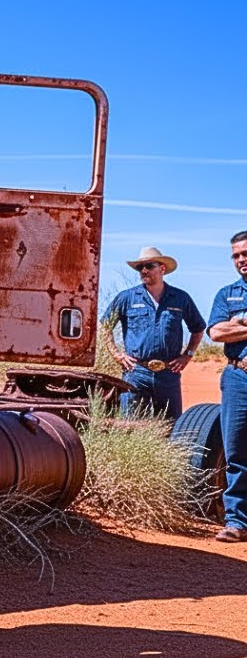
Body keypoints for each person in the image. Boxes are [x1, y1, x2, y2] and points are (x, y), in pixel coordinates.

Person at [103, 246, 206, 420]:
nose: (143, 271)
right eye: (140, 267)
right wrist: (117, 355)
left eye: (149, 266)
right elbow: (105, 326)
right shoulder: (127, 298)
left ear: (162, 269)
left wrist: (187, 355)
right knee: (131, 426)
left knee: (170, 426)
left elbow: (198, 328)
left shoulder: (180, 298)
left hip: (168, 374)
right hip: (136, 373)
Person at [207, 230, 247, 543]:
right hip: (238, 377)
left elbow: (227, 329)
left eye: (245, 253)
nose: (241, 260)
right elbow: (216, 333)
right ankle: (237, 522)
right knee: (236, 451)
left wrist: (239, 325)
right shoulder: (227, 294)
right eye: (235, 255)